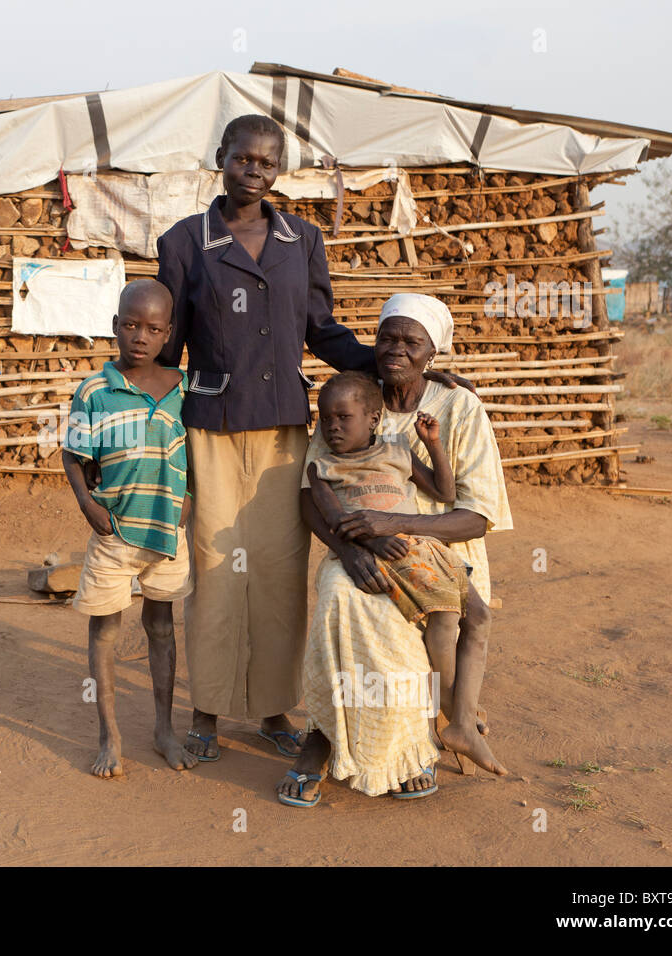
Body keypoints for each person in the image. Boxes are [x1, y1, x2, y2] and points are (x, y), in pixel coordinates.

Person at [155, 115, 471, 762]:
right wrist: (146, 426)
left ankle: (274, 709)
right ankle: (206, 711)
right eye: (243, 158)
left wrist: (400, 366)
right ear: (221, 158)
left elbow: (322, 330)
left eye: (268, 163)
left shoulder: (302, 239)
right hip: (212, 429)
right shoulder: (185, 242)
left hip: (282, 432)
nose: (255, 170)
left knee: (276, 572)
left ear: (279, 171)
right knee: (216, 573)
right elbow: (170, 346)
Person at [276, 293, 511, 808]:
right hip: (357, 546)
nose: (396, 350)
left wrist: (393, 523)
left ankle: (415, 740)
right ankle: (324, 734)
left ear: (433, 353)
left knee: (404, 616)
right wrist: (350, 546)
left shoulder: (457, 407)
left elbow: (475, 514)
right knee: (340, 594)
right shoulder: (353, 398)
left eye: (412, 342)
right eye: (387, 337)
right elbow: (309, 492)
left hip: (444, 556)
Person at [303, 371, 506, 783]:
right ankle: (454, 718)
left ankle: (460, 720)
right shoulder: (321, 467)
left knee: (476, 617)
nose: (333, 427)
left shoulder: (398, 450)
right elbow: (334, 518)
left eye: (343, 418)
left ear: (374, 419)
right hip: (387, 553)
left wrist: (433, 445)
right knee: (442, 620)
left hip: (420, 548)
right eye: (326, 419)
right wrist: (375, 542)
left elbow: (445, 493)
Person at [62, 280, 196, 778]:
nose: (140, 336)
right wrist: (85, 504)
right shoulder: (95, 391)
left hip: (166, 532)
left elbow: (198, 452)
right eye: (131, 325)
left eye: (153, 328)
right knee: (106, 630)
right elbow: (73, 455)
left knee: (161, 627)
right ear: (115, 326)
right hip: (114, 530)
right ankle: (109, 737)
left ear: (168, 333)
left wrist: (192, 497)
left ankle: (164, 730)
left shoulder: (183, 388)